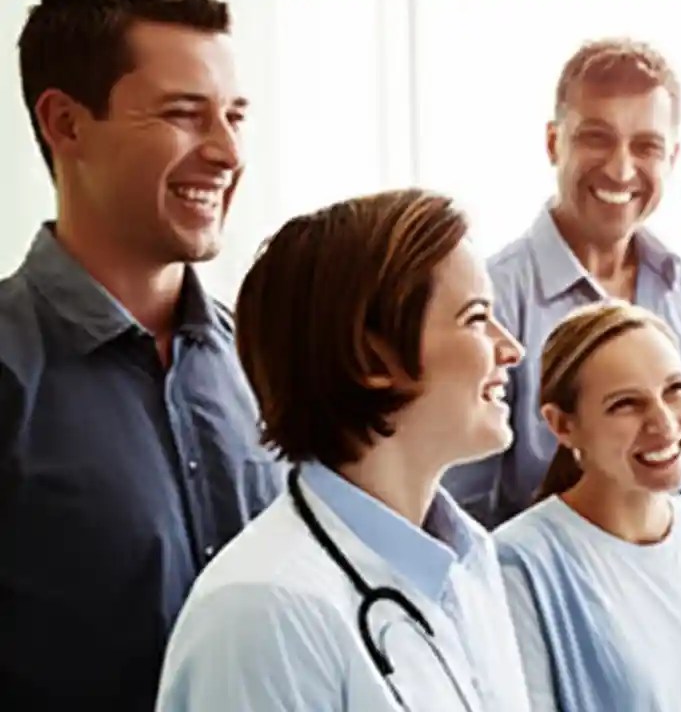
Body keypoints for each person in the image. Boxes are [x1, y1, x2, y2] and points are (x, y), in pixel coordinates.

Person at [0, 0, 282, 709]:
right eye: (184, 114)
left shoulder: (264, 362)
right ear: (66, 123)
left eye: (235, 117)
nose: (227, 153)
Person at [155, 189, 532, 711]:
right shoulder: (260, 610)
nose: (512, 349)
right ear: (372, 357)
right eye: (475, 318)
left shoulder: (470, 558)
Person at [443, 38, 681, 556]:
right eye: (596, 139)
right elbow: (461, 514)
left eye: (646, 146)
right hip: (542, 589)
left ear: (672, 157)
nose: (620, 170)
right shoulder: (492, 302)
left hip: (680, 586)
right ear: (554, 143)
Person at [494, 300, 681, 711]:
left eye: (676, 390)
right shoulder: (517, 565)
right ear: (563, 425)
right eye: (626, 404)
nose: (664, 424)